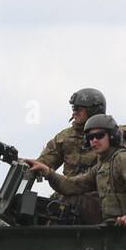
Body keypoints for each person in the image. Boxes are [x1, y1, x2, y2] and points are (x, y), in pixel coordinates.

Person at [24, 114, 126, 226]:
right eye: (90, 137)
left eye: (99, 136)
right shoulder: (103, 164)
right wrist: (47, 172)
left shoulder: (124, 159)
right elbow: (73, 185)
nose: (94, 140)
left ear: (112, 136)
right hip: (111, 225)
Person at [36, 88, 108, 222]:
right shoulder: (65, 137)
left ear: (94, 111)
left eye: (79, 108)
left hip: (96, 201)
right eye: (73, 108)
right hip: (68, 194)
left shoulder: (106, 135)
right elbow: (44, 161)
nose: (74, 112)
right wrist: (29, 165)